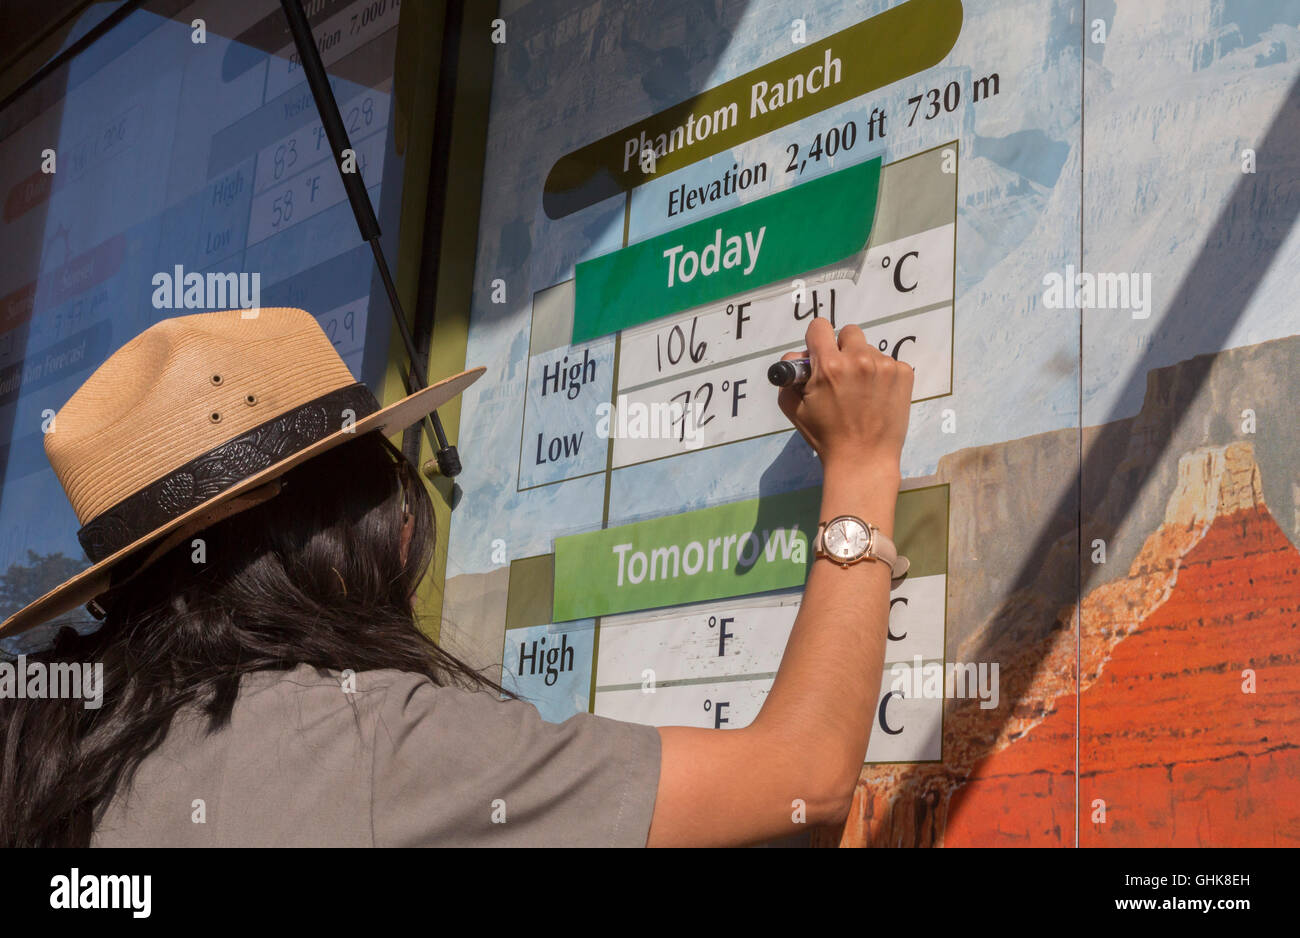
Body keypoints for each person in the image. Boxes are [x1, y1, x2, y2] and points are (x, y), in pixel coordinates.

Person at [0, 307, 912, 847]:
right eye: (388, 486)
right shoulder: (364, 745)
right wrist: (863, 468)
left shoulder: (60, 740)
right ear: (333, 526)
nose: (407, 523)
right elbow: (807, 774)